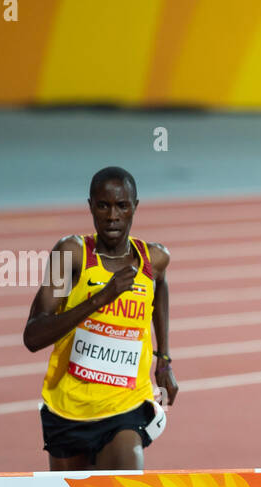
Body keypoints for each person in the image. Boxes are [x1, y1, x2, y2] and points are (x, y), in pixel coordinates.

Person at [23, 166, 176, 470]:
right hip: (68, 407)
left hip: (125, 406)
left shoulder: (154, 259)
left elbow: (159, 288)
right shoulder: (71, 255)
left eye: (122, 206)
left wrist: (164, 360)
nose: (112, 216)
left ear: (135, 207)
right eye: (103, 206)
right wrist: (100, 299)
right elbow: (33, 337)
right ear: (90, 206)